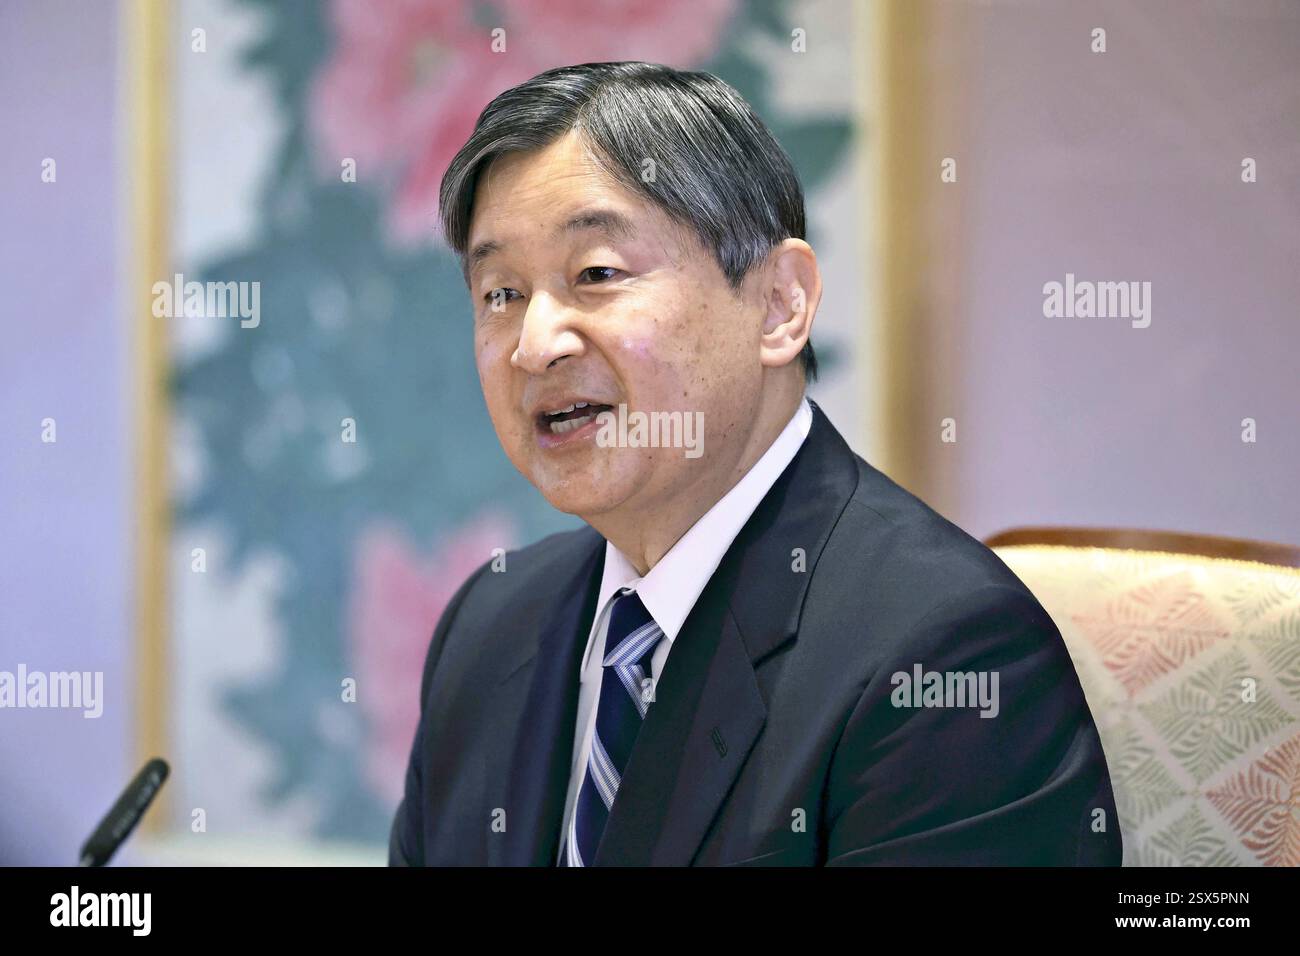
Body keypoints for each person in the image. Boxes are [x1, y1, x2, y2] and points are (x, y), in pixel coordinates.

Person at [389, 61, 1121, 866]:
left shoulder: (944, 656)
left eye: (596, 274)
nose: (534, 344)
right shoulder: (491, 627)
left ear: (780, 304)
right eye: (501, 294)